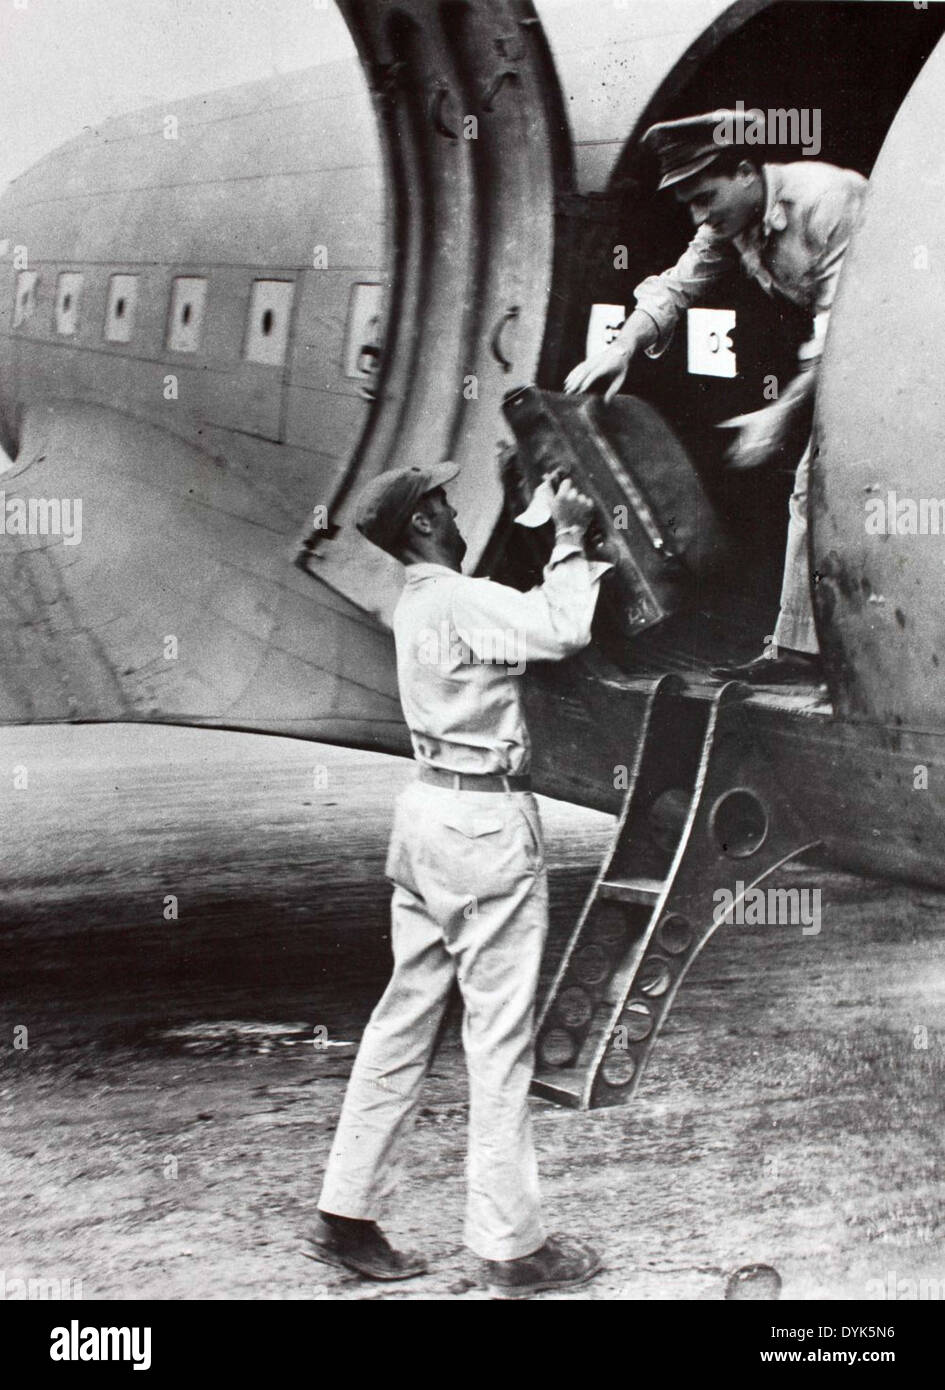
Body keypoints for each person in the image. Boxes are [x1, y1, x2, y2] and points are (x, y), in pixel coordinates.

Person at [305, 461, 608, 1299]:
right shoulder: (458, 601)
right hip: (484, 830)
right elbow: (558, 628)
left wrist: (525, 517)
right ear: (423, 525)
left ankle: (347, 1209)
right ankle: (513, 1249)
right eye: (440, 500)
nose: (452, 505)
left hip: (427, 818)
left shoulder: (422, 599)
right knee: (498, 1040)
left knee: (402, 1019)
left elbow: (494, 609)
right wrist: (574, 536)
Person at [564, 109, 868, 683]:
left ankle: (819, 652)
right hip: (855, 348)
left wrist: (780, 416)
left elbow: (842, 333)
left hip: (904, 340)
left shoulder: (826, 202)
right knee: (814, 486)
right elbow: (680, 284)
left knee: (824, 482)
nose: (701, 218)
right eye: (691, 207)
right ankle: (802, 651)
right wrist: (623, 346)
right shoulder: (731, 220)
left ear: (747, 171)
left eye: (706, 198)